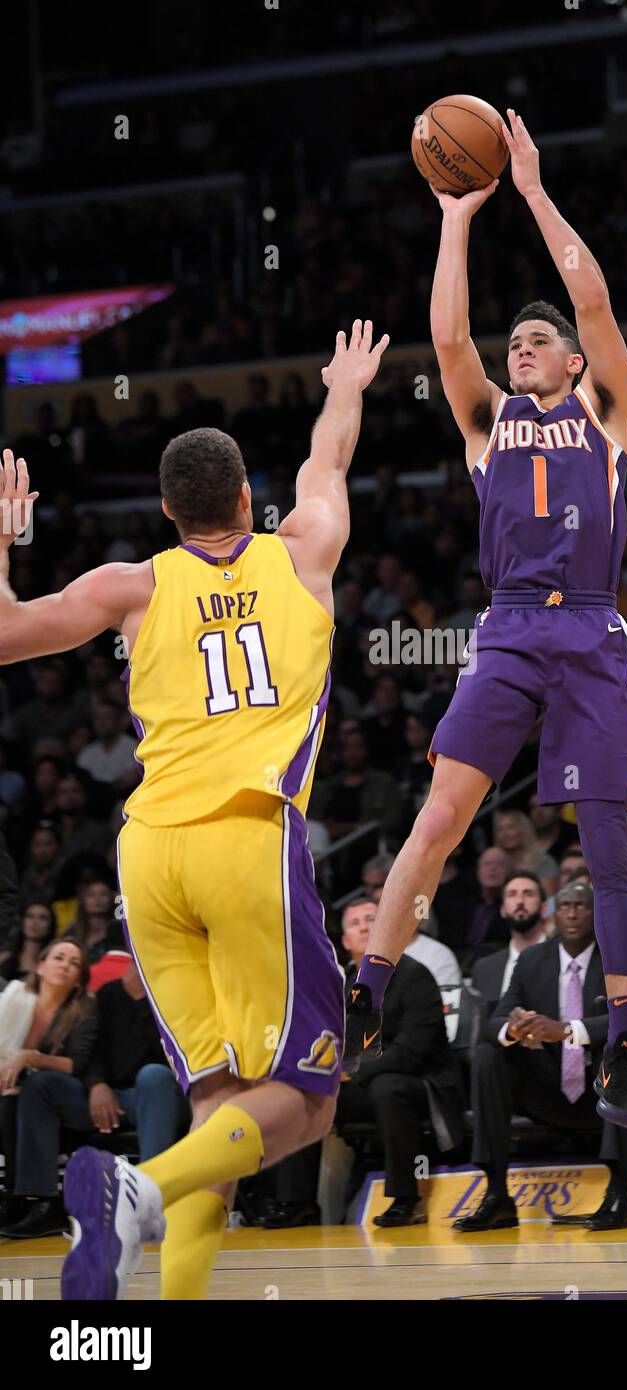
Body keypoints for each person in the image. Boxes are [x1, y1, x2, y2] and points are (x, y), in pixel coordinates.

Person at [0, 317, 389, 1301]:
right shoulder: (305, 551)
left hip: (148, 856)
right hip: (247, 843)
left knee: (220, 1100)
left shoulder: (130, 586)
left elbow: (5, 634)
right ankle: (138, 1184)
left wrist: (3, 542)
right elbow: (327, 460)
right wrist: (344, 384)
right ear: (248, 499)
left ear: (169, 512)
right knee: (305, 1100)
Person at [346, 111, 627, 1135]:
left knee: (605, 840)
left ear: (570, 362)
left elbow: (593, 296)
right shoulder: (487, 420)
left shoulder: (605, 408)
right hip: (510, 628)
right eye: (512, 340)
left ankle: (623, 1042)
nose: (519, 347)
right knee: (437, 821)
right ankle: (366, 996)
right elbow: (442, 336)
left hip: (592, 632)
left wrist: (525, 184)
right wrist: (454, 217)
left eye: (537, 340)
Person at [454, 876, 627, 1234]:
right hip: (546, 1086)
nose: (572, 913)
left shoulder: (619, 959)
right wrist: (513, 1028)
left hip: (598, 1087)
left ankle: (619, 1193)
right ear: (553, 915)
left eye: (582, 905)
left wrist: (568, 1030)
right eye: (565, 906)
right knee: (488, 1054)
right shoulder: (531, 960)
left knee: (622, 1052)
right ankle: (496, 1193)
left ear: (597, 914)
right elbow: (493, 1020)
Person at [271, 898, 464, 1229]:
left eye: (371, 919)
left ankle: (406, 1198)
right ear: (345, 941)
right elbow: (321, 1039)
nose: (363, 926)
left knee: (388, 1088)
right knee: (304, 1091)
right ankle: (296, 1203)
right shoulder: (334, 983)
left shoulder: (416, 975)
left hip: (421, 1085)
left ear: (387, 929)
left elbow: (410, 1053)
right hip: (360, 1084)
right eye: (354, 923)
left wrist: (345, 1072)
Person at [0, 961, 187, 1239]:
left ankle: (150, 1202)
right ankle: (43, 1204)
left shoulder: (175, 996)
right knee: (42, 1085)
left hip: (154, 1098)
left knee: (153, 1076)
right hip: (104, 1096)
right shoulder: (108, 995)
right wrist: (97, 1085)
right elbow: (92, 1053)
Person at [0, 939, 96, 1233]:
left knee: (35, 1086)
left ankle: (43, 1203)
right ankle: (16, 1199)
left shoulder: (84, 1009)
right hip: (19, 1089)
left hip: (65, 1092)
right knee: (10, 1101)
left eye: (74, 962)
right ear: (41, 966)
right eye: (58, 957)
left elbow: (76, 1064)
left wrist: (31, 1057)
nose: (65, 965)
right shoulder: (14, 997)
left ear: (79, 978)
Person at [471, 872, 559, 1015]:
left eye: (528, 894)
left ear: (544, 908)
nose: (520, 901)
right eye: (512, 894)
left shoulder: (563, 959)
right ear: (503, 910)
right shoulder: (484, 969)